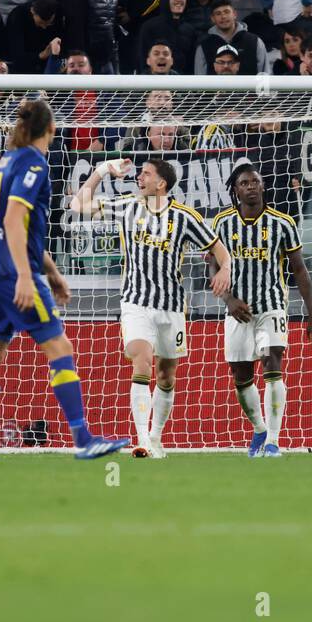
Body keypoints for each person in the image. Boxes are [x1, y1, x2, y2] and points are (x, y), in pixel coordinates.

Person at [0, 98, 129, 461]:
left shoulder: (6, 161)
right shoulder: (35, 165)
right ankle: (83, 438)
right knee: (60, 349)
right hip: (13, 274)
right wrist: (27, 277)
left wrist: (53, 272)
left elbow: (22, 228)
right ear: (52, 129)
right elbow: (13, 221)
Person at [71, 156, 232, 458]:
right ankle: (142, 440)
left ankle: (156, 437)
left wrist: (225, 270)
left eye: (145, 174)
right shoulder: (128, 206)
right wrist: (101, 171)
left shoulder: (185, 217)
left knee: (167, 376)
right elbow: (78, 206)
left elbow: (220, 251)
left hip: (172, 307)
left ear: (162, 183)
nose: (139, 178)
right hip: (135, 303)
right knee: (142, 361)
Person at [209, 164, 312, 455]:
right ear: (235, 190)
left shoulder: (282, 223)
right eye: (244, 183)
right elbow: (213, 265)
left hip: (272, 306)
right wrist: (229, 300)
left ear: (263, 186)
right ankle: (260, 429)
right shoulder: (222, 223)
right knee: (241, 376)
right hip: (237, 311)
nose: (250, 186)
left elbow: (300, 270)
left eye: (255, 182)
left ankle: (273, 440)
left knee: (273, 363)